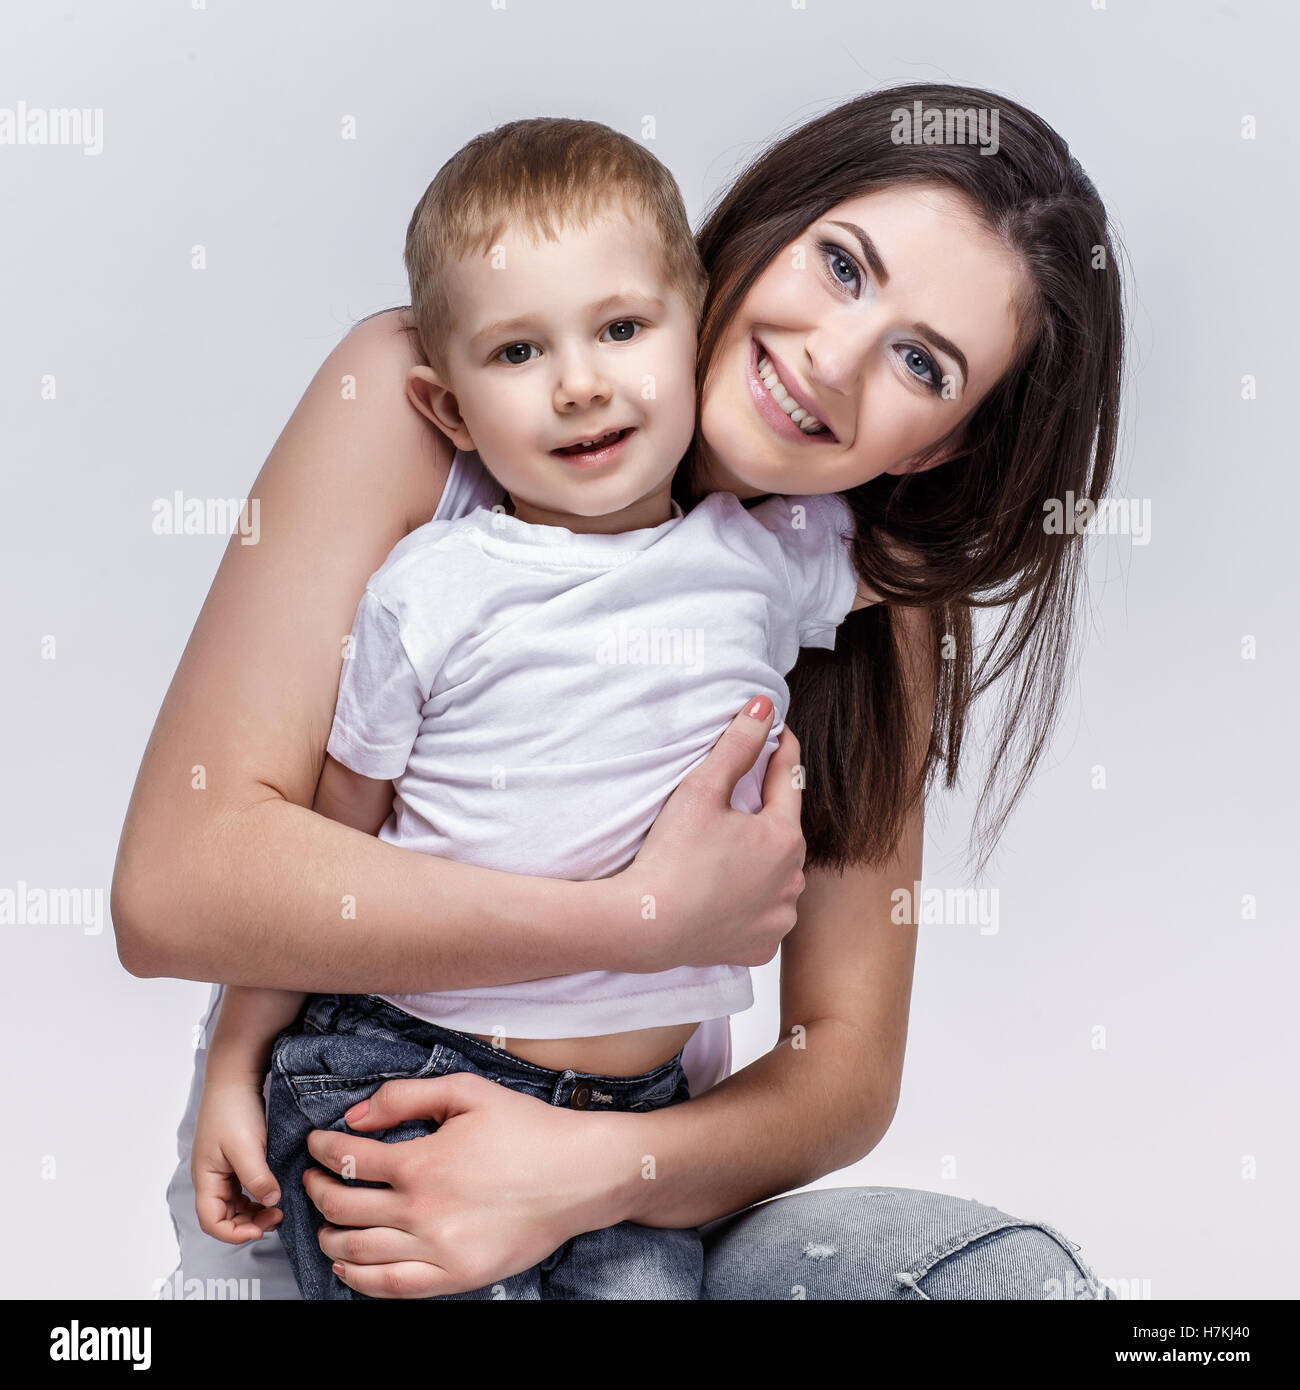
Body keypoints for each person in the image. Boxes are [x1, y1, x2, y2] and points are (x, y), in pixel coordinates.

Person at [113, 82, 1125, 1299]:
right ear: (763, 228)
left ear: (938, 443)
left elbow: (844, 1067)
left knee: (1002, 1283)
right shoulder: (428, 400)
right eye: (843, 269)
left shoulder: (850, 580)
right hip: (369, 1170)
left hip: (629, 1191)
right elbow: (175, 889)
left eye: (920, 362)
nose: (832, 361)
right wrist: (639, 919)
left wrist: (587, 1167)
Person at [194, 117, 872, 1300]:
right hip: (400, 1068)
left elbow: (927, 543)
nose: (579, 383)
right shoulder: (440, 585)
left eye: (620, 327)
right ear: (449, 411)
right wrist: (235, 1058)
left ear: (695, 329)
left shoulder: (765, 558)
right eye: (516, 353)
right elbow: (331, 836)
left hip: (636, 1124)